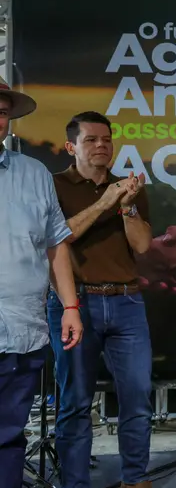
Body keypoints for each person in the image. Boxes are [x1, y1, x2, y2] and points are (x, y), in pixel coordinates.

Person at [49, 111, 154, 488]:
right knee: (76, 402)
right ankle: (75, 483)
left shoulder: (128, 187)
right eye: (90, 139)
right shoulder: (53, 185)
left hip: (127, 301)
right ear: (70, 147)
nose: (101, 146)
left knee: (138, 398)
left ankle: (136, 478)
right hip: (75, 303)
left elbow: (142, 245)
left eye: (106, 139)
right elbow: (59, 236)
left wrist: (125, 204)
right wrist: (104, 201)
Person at [0, 78, 83, 488]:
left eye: (1, 111)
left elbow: (55, 246)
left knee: (10, 436)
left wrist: (69, 306)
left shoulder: (33, 173)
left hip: (22, 334)